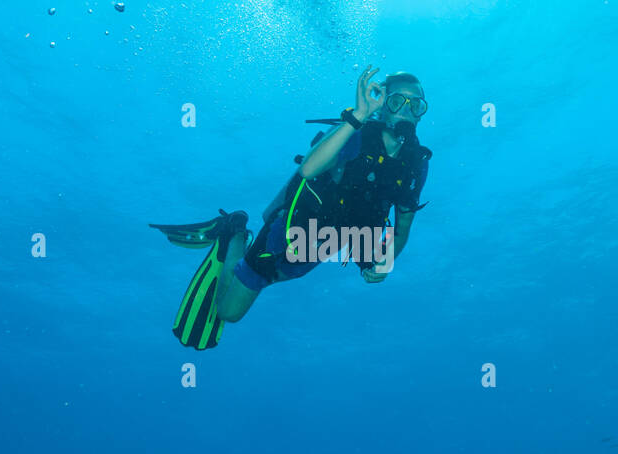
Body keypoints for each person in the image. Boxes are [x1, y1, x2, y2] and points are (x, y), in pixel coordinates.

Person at [150, 67, 432, 349]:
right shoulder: (355, 135)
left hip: (319, 248)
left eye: (415, 105)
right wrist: (358, 116)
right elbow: (308, 169)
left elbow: (402, 227)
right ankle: (233, 232)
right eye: (397, 101)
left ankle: (241, 250)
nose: (406, 111)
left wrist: (384, 262)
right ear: (383, 106)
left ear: (422, 112)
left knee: (284, 274)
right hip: (284, 234)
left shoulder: (416, 165)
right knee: (229, 313)